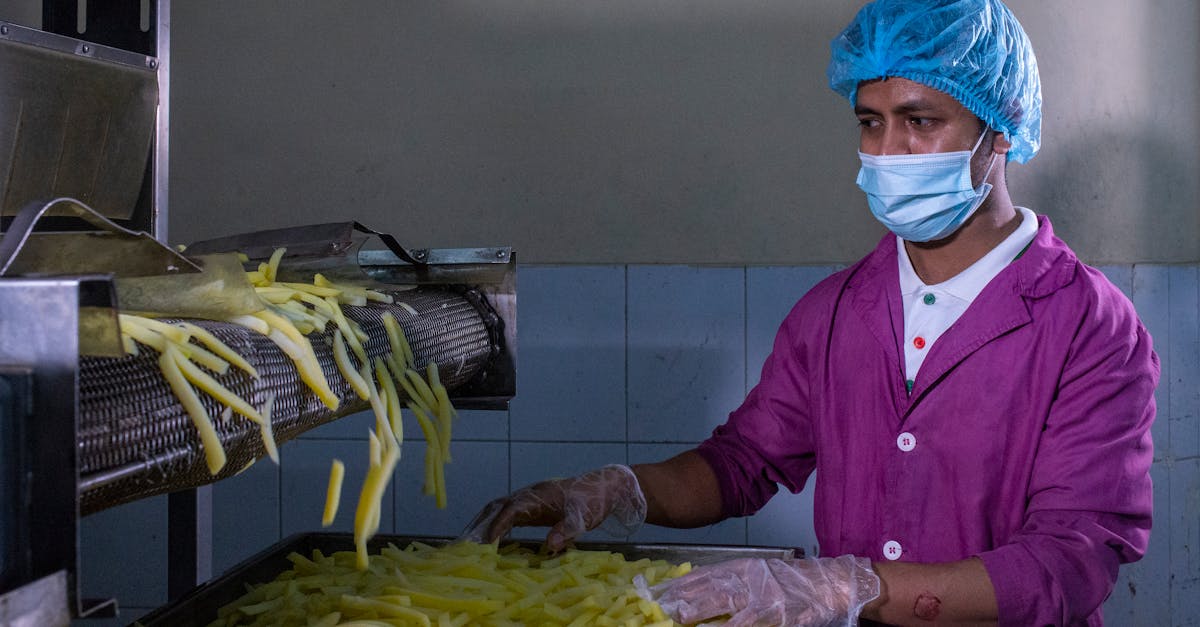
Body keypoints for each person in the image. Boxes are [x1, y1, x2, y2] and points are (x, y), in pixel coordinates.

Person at [463, 0, 1158, 624]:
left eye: (920, 122)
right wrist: (620, 487)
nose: (888, 154)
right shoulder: (835, 313)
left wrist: (851, 585)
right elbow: (741, 462)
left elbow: (1072, 559)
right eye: (870, 123)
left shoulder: (1089, 328)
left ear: (999, 129)